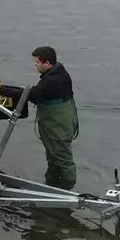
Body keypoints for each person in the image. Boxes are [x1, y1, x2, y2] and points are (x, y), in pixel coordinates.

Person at [26, 46, 79, 190]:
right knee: (52, 155)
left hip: (58, 125)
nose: (34, 65)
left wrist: (1, 89)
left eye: (37, 62)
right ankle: (52, 184)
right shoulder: (60, 72)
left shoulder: (52, 81)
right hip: (61, 121)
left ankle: (68, 189)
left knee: (63, 158)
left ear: (47, 63)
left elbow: (31, 95)